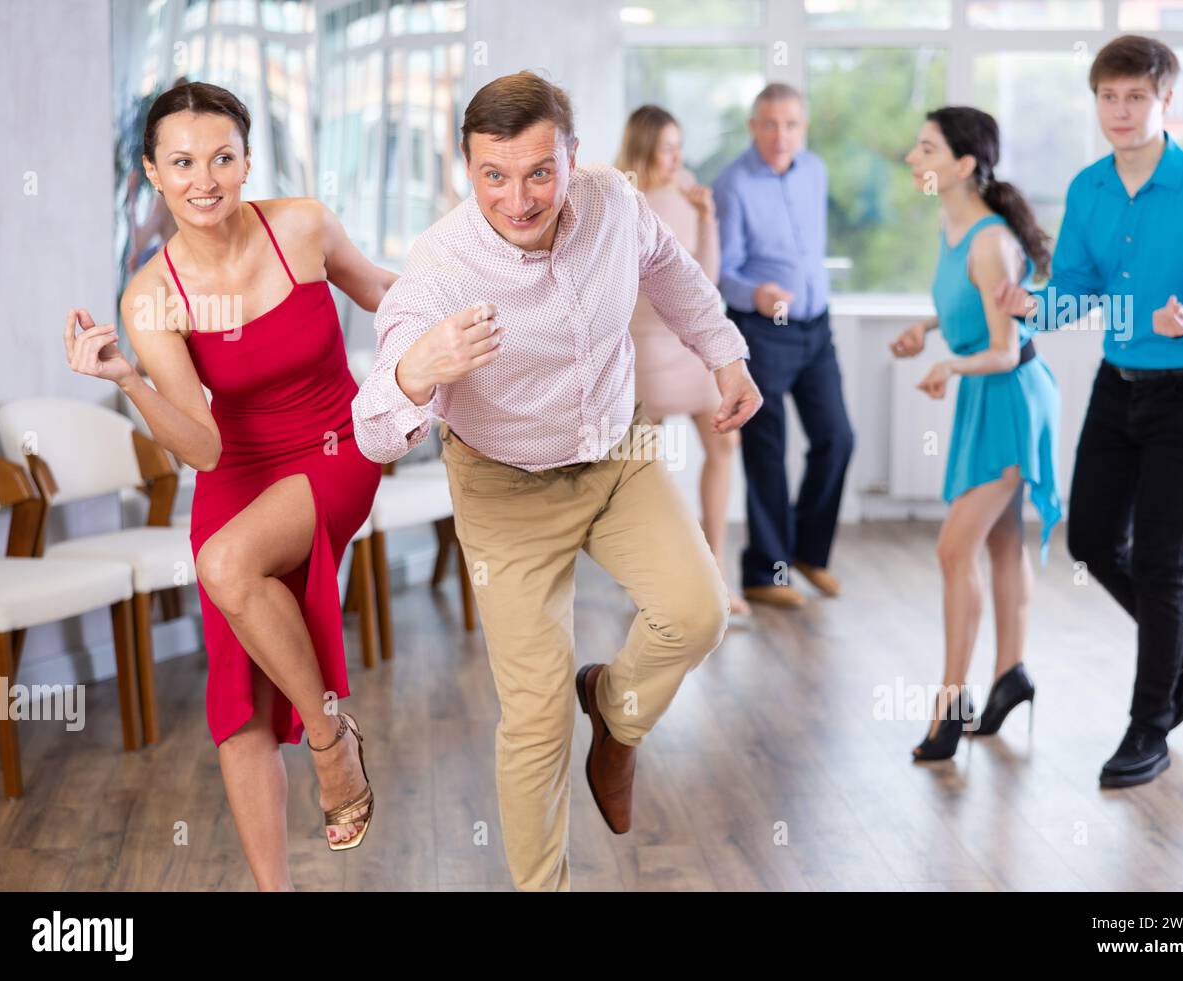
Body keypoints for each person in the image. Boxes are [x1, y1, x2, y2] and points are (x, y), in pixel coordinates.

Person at [351, 71, 762, 891]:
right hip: (505, 490)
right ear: (466, 169)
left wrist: (726, 352)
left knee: (699, 610)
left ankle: (615, 709)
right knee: (536, 718)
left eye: (539, 171)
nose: (519, 198)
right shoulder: (438, 266)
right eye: (493, 175)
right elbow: (371, 426)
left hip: (618, 453)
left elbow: (671, 268)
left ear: (573, 156)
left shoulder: (613, 201)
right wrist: (415, 371)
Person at [65, 81, 390, 889]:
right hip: (236, 472)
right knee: (238, 700)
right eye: (181, 162)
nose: (203, 179)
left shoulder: (303, 225)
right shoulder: (150, 295)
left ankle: (328, 741)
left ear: (247, 161)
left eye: (221, 157)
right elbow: (204, 449)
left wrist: (451, 339)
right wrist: (131, 382)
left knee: (224, 564)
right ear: (152, 173)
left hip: (334, 445)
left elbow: (389, 294)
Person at [995, 36, 1183, 788]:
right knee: (1089, 540)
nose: (1120, 110)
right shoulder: (1089, 189)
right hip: (1120, 385)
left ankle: (1150, 726)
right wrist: (1035, 307)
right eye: (1109, 97)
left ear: (1165, 101)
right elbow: (1077, 284)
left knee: (1158, 560)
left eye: (1135, 97)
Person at [893, 107, 1061, 761]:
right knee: (997, 544)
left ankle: (950, 703)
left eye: (926, 148)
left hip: (1012, 399)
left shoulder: (992, 240)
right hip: (988, 396)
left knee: (952, 548)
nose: (913, 158)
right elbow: (962, 298)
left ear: (963, 165)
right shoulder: (953, 221)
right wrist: (927, 328)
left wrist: (948, 362)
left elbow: (1003, 344)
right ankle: (1011, 672)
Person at [714, 82, 854, 609]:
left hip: (816, 327)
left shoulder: (814, 171)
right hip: (762, 331)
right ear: (753, 127)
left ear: (804, 127)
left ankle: (809, 554)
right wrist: (758, 292)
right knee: (767, 452)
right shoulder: (733, 184)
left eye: (791, 124)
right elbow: (721, 274)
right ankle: (765, 573)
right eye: (770, 124)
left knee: (837, 438)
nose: (781, 135)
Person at [615, 104, 749, 616]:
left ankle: (716, 574)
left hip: (689, 346)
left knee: (722, 446)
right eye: (667, 147)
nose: (676, 156)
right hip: (647, 348)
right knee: (642, 470)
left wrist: (708, 218)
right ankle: (654, 583)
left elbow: (705, 279)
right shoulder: (625, 202)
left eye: (679, 145)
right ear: (645, 147)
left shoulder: (687, 191)